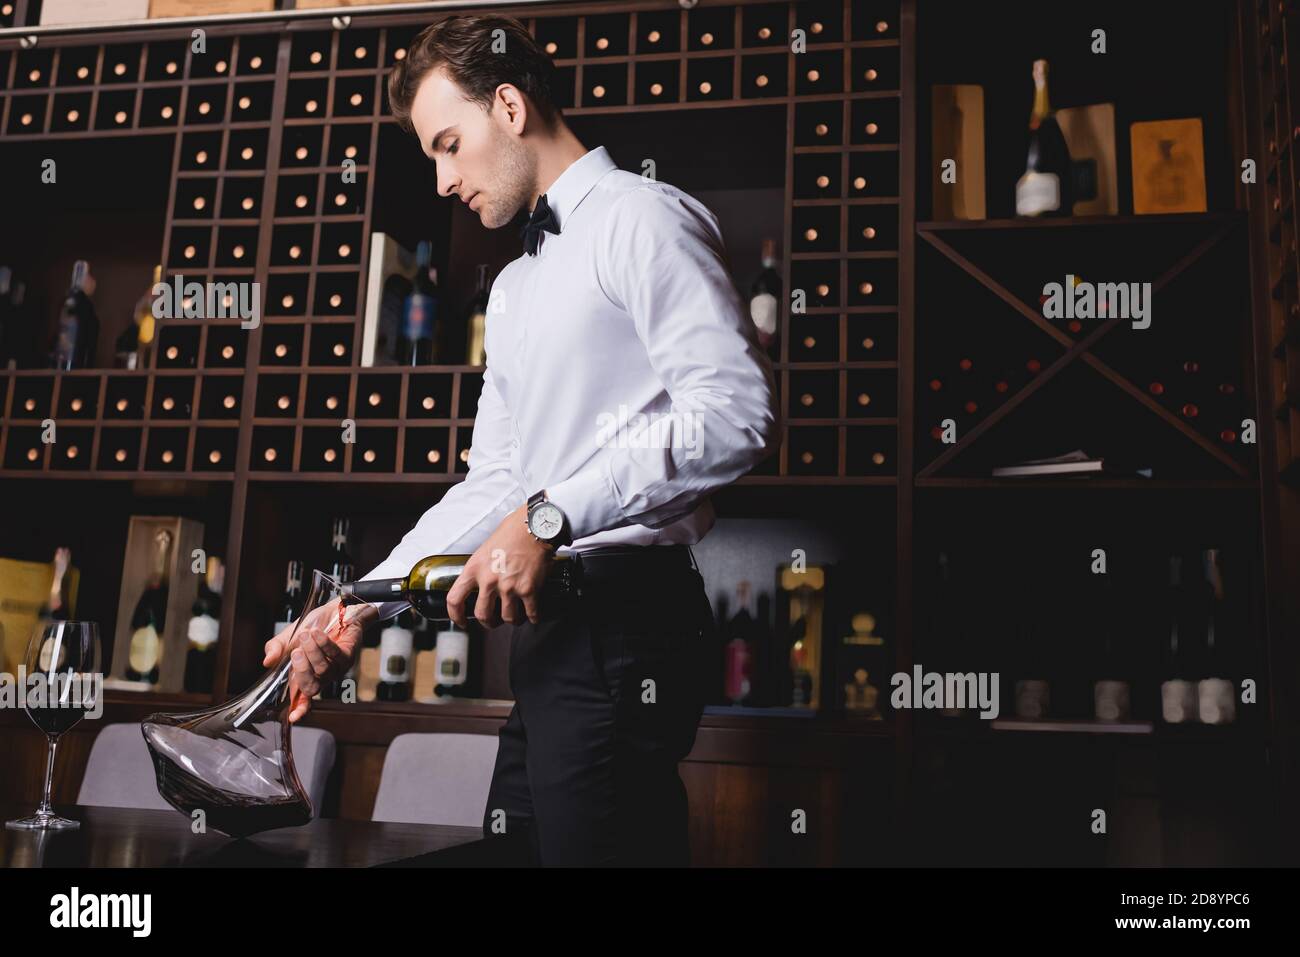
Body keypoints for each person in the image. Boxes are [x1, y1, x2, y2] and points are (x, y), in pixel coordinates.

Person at [262, 13, 780, 866]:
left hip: (629, 624)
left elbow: (735, 409)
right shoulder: (511, 288)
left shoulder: (639, 220)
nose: (440, 180)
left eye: (447, 144)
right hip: (547, 639)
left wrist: (549, 517)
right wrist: (353, 603)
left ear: (508, 106)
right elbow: (496, 482)